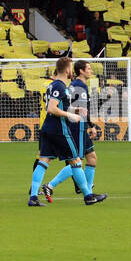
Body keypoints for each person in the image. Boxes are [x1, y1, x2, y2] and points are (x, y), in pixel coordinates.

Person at [28, 57, 106, 206]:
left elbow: (58, 106)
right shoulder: (59, 86)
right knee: (76, 161)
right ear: (67, 69)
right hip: (59, 130)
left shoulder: (53, 85)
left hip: (47, 128)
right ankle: (88, 196)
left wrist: (75, 109)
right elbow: (52, 108)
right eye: (71, 67)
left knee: (44, 161)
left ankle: (33, 197)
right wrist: (70, 115)